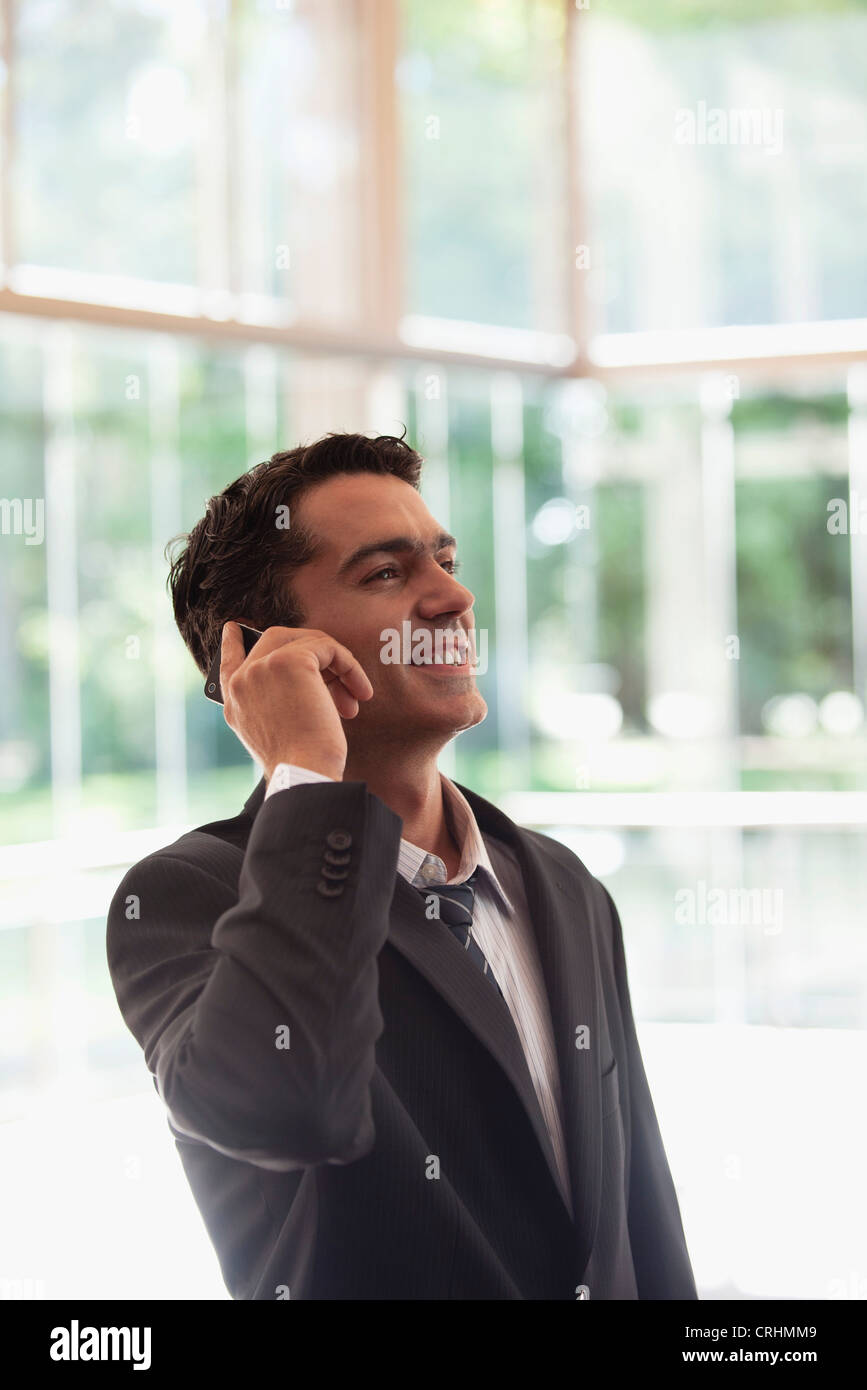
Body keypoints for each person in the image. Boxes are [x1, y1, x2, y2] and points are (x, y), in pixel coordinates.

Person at [106, 430, 697, 1300]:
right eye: (386, 573)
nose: (453, 597)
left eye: (444, 560)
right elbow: (284, 1107)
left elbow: (639, 1209)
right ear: (269, 654)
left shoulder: (562, 884)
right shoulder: (186, 896)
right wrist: (303, 777)